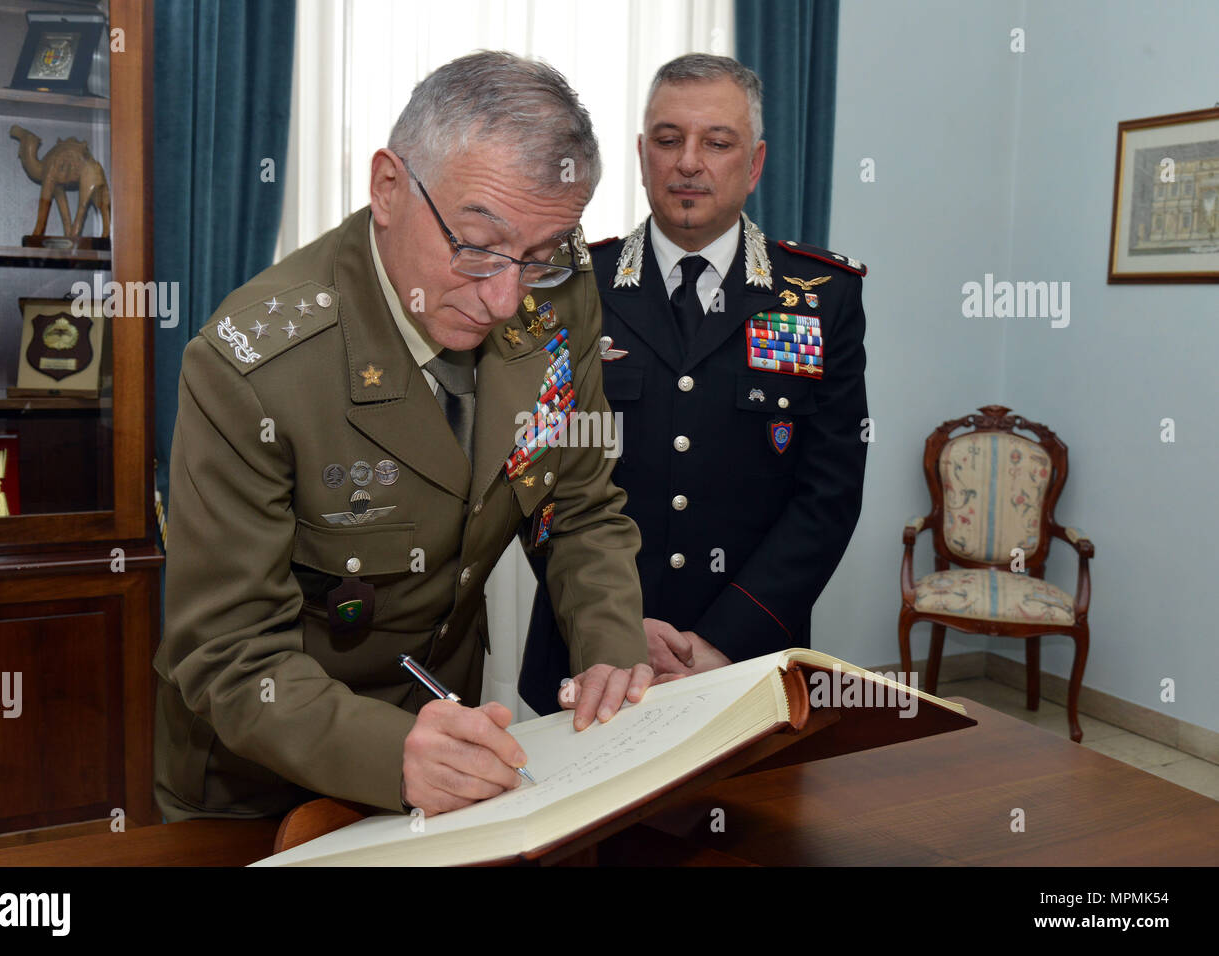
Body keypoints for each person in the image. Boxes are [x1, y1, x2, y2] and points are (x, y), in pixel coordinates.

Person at [154, 51, 655, 821]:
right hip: (261, 775)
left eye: (539, 256)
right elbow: (228, 651)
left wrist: (613, 656)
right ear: (388, 187)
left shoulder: (560, 297)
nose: (503, 297)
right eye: (478, 246)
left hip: (455, 752)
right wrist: (391, 755)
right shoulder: (252, 368)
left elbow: (578, 507)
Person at [520, 53, 869, 714]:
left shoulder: (822, 298)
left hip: (750, 658)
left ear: (756, 162)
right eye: (669, 138)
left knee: (753, 821)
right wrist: (615, 626)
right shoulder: (566, 288)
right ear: (642, 153)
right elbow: (534, 477)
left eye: (717, 142)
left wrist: (724, 640)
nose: (688, 162)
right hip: (585, 657)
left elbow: (829, 494)